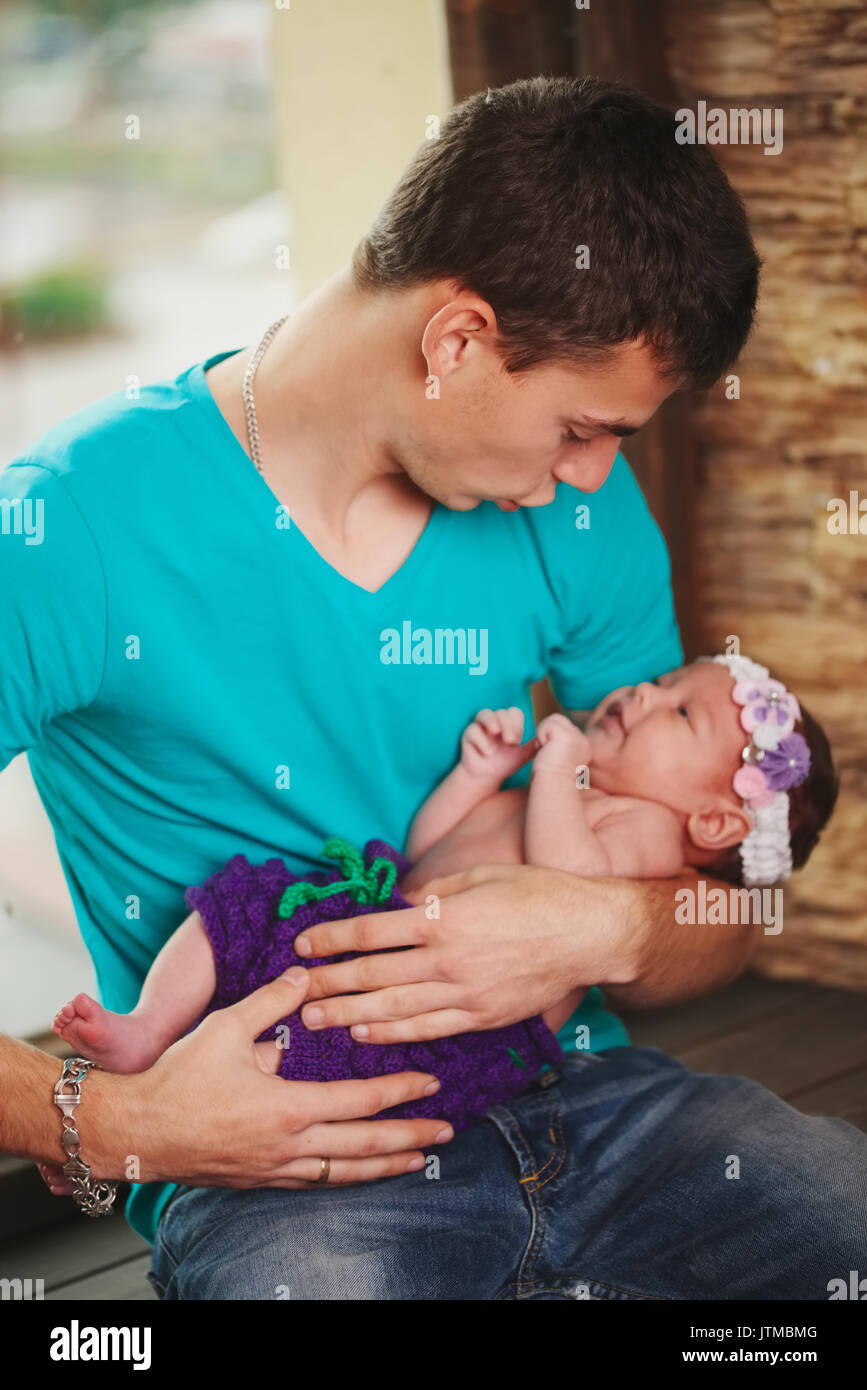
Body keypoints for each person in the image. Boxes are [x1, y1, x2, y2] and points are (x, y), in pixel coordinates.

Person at [2, 76, 863, 1299]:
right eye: (579, 427)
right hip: (287, 1168)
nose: (591, 478)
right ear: (455, 339)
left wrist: (607, 923)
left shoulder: (581, 516)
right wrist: (113, 1118)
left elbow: (734, 903)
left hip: (599, 1111)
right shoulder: (70, 527)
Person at [48, 655, 836, 1113]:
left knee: (317, 1067)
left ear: (713, 824)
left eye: (679, 715)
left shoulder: (645, 832)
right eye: (664, 681)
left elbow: (569, 894)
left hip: (452, 1021)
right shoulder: (563, 790)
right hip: (374, 915)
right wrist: (476, 777)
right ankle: (149, 1028)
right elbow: (430, 849)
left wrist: (559, 766)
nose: (643, 694)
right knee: (234, 911)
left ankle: (186, 1091)